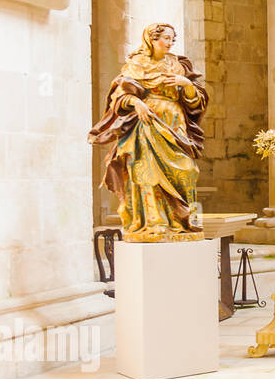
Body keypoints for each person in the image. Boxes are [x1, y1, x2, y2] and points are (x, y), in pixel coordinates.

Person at [88, 23, 209, 241]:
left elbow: (196, 102)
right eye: (166, 38)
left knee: (186, 169)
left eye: (173, 38)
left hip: (175, 124)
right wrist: (137, 103)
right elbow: (119, 96)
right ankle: (154, 222)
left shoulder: (179, 65)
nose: (171, 42)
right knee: (146, 172)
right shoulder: (137, 64)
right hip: (146, 124)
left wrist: (186, 85)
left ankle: (180, 221)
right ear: (151, 40)